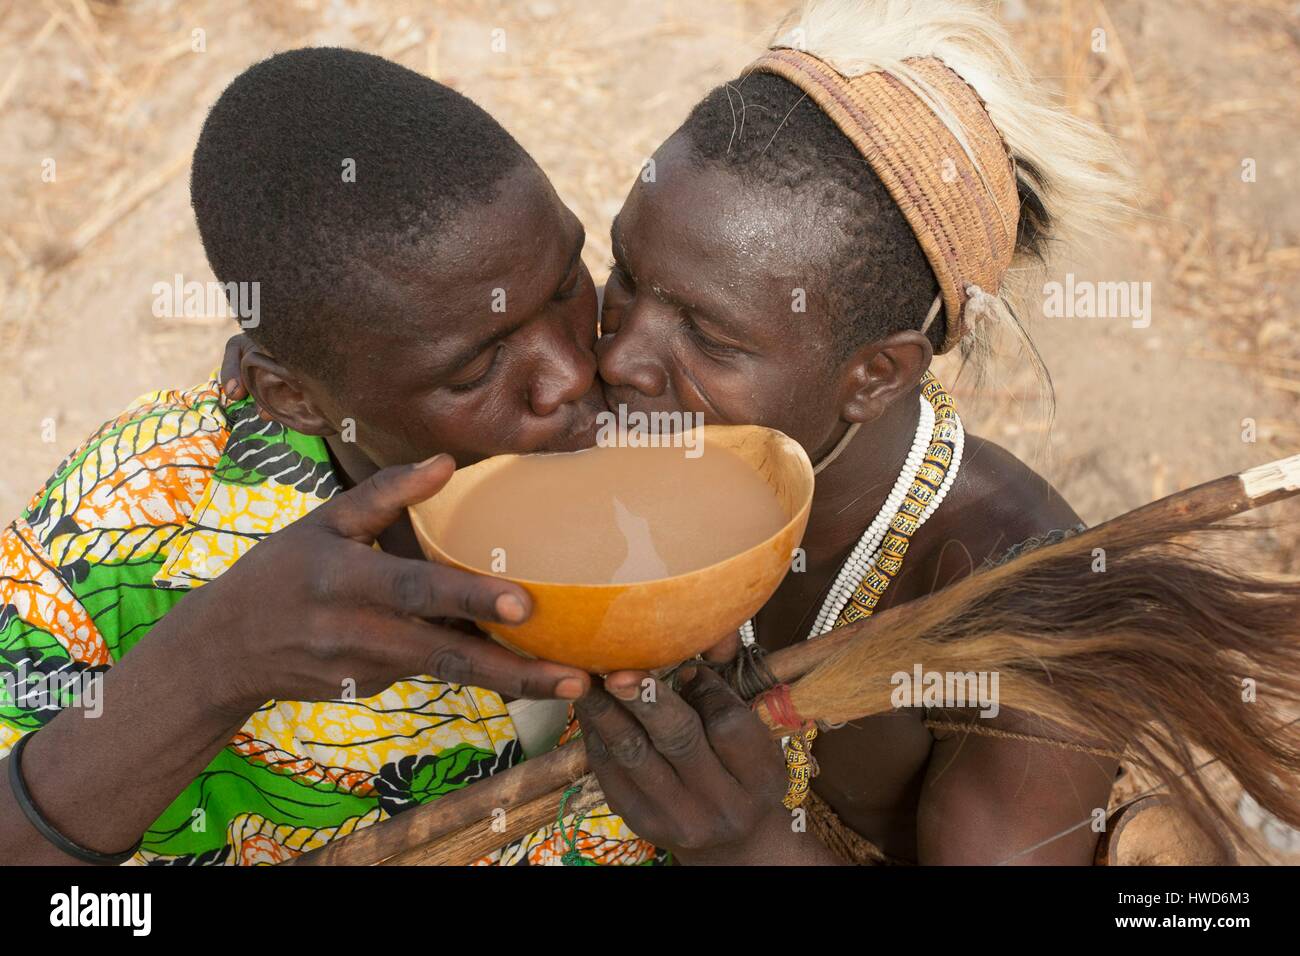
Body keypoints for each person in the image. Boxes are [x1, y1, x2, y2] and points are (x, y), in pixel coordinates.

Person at [0, 47, 662, 865]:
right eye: (475, 366)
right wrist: (212, 665)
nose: (571, 375)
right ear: (295, 398)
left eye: (567, 281)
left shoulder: (667, 414)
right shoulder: (127, 533)